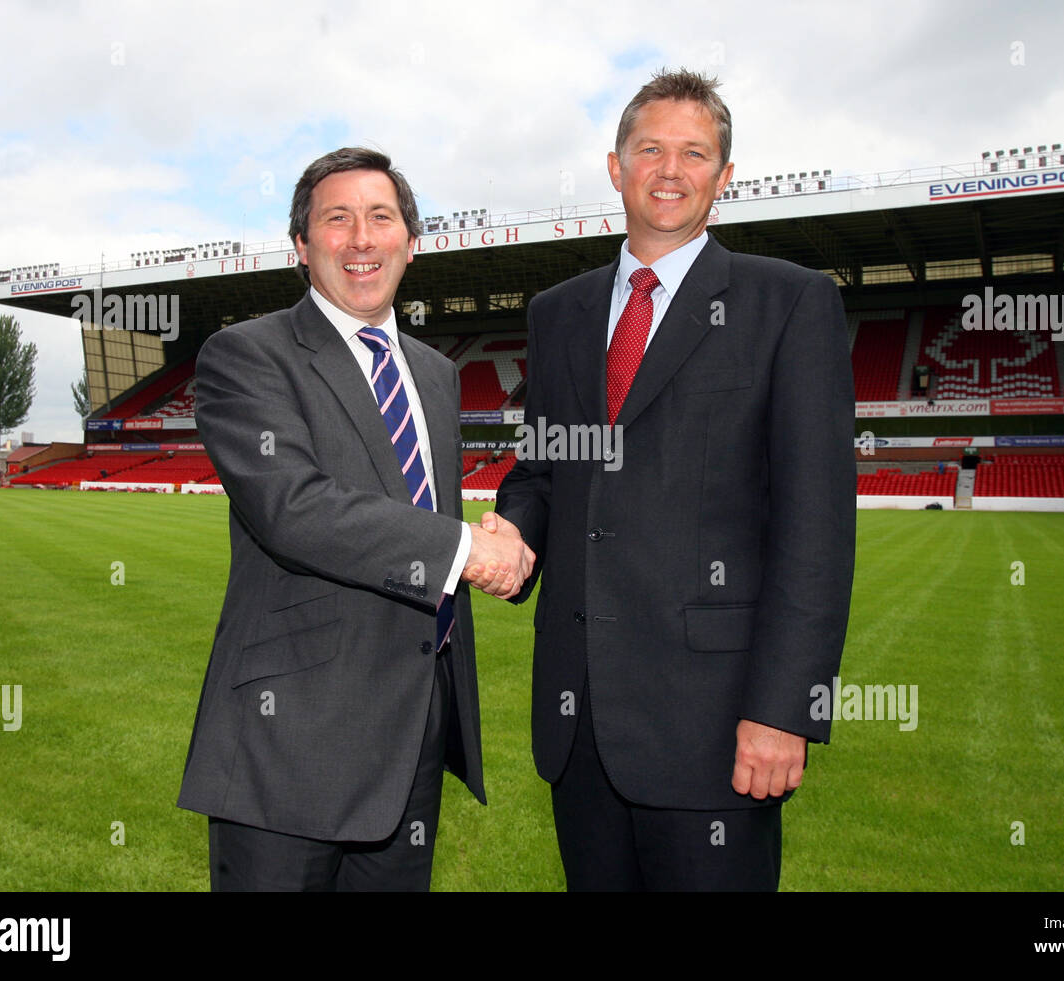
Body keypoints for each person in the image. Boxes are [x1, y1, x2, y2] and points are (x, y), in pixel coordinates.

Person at [492, 69, 856, 891]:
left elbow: (818, 531)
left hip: (718, 725)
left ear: (724, 177)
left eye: (695, 153)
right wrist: (515, 529)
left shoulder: (790, 304)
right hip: (578, 718)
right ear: (615, 166)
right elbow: (545, 467)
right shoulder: (560, 312)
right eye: (649, 148)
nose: (670, 168)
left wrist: (783, 708)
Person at [177, 147, 533, 891]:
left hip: (414, 735)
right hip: (291, 743)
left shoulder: (434, 374)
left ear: (412, 241)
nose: (361, 239)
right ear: (302, 248)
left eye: (381, 218)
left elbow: (407, 507)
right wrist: (467, 545)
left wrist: (488, 537)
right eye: (336, 220)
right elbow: (294, 509)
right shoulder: (247, 355)